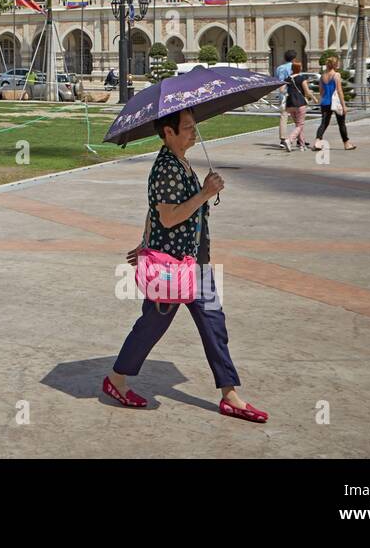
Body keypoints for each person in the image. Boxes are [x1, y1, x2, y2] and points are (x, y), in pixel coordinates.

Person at [104, 109, 268, 423]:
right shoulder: (166, 167)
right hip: (171, 267)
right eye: (188, 128)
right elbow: (167, 216)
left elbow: (154, 213)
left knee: (214, 326)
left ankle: (229, 394)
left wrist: (143, 241)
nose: (194, 132)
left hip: (194, 262)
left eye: (194, 127)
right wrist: (206, 193)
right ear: (168, 132)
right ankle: (116, 380)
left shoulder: (182, 162)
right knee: (151, 327)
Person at [313, 56, 355, 151]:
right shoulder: (336, 75)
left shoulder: (323, 76)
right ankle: (346, 144)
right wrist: (344, 105)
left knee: (324, 123)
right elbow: (339, 91)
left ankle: (317, 142)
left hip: (325, 102)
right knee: (341, 123)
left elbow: (321, 91)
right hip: (335, 102)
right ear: (335, 65)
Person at [283, 59, 309, 151]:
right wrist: (313, 98)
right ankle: (289, 140)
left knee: (298, 125)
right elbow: (307, 91)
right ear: (300, 68)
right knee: (300, 125)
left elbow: (282, 90)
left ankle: (302, 145)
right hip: (300, 103)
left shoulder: (288, 78)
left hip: (290, 104)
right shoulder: (302, 78)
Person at [274, 49, 298, 149]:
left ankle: (283, 139)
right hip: (293, 94)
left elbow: (277, 80)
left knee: (283, 117)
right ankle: (300, 138)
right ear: (294, 59)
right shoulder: (294, 68)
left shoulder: (279, 68)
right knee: (298, 117)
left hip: (282, 95)